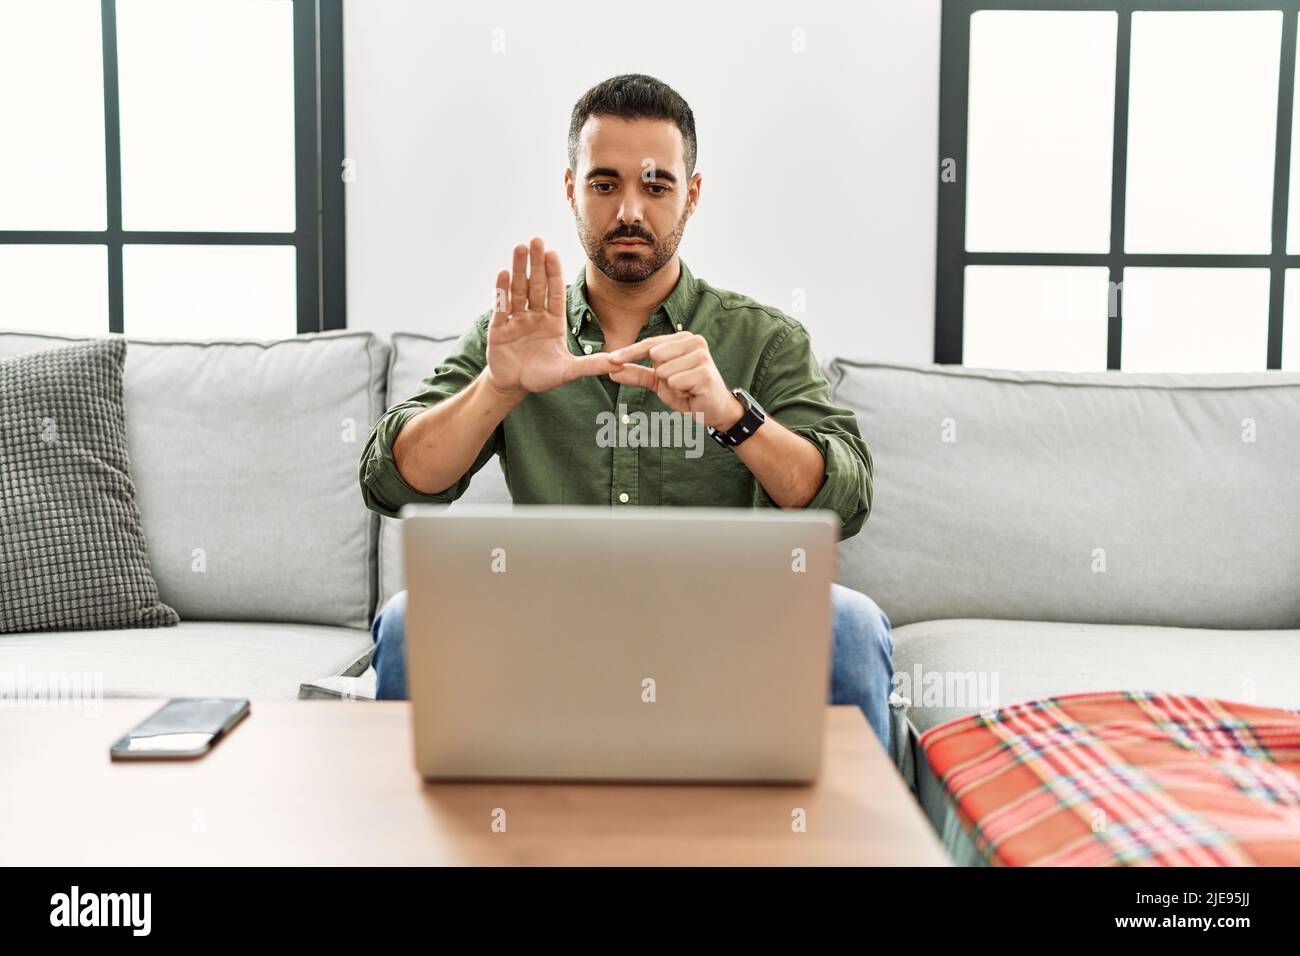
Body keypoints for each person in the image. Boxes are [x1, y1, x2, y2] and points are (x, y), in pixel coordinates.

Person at [358, 74, 893, 748]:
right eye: (605, 184)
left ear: (691, 195)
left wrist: (733, 415)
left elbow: (845, 501)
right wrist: (499, 390)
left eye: (656, 185)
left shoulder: (765, 340)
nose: (629, 211)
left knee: (851, 626)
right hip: (553, 617)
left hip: (726, 622)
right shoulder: (517, 332)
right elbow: (392, 480)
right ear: (571, 188)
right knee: (412, 622)